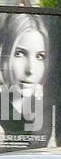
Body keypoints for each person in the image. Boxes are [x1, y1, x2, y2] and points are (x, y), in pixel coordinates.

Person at [0, 12, 55, 146]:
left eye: (39, 56)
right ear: (3, 53)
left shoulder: (46, 114)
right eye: (20, 54)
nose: (30, 70)